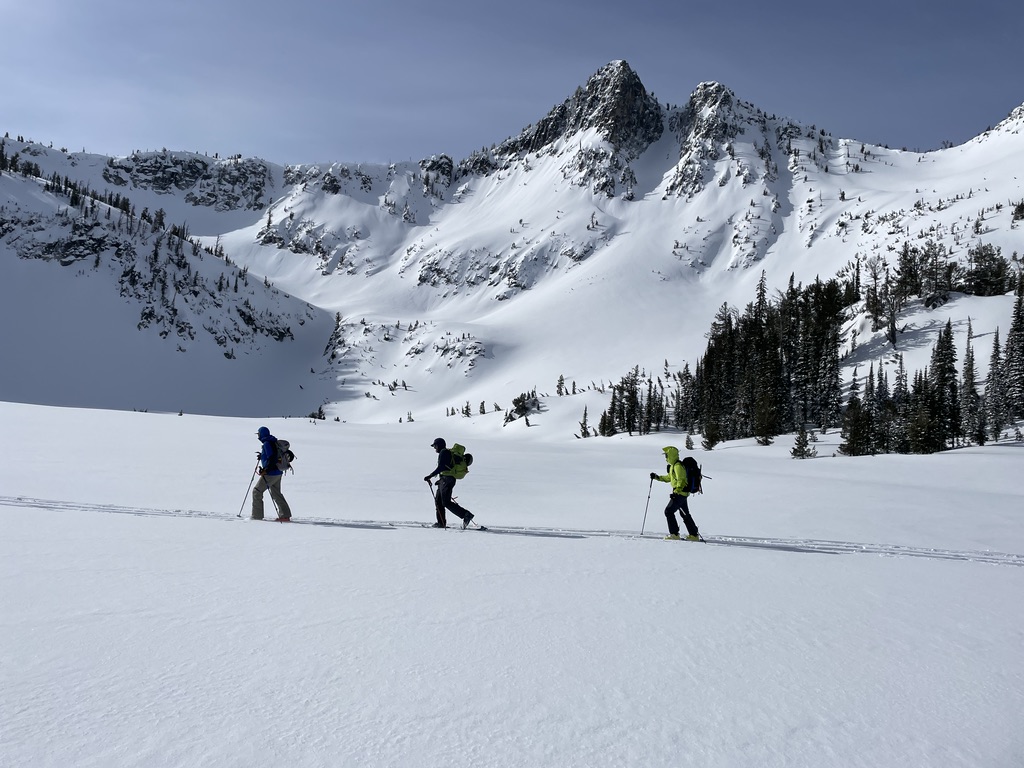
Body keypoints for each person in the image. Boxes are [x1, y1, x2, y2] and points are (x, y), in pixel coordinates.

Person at [650, 446, 700, 541]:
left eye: (666, 455)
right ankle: (694, 535)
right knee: (684, 514)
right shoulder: (673, 466)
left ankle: (674, 534)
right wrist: (656, 477)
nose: (665, 457)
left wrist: (676, 491)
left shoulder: (678, 466)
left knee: (668, 511)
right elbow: (669, 478)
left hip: (680, 493)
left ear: (671, 455)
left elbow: (681, 480)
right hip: (682, 493)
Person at [423, 437, 474, 529]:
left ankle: (466, 514)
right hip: (445, 479)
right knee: (438, 501)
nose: (434, 448)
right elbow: (445, 468)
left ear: (439, 445)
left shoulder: (444, 452)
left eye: (435, 446)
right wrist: (440, 479)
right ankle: (441, 523)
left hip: (447, 480)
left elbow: (441, 467)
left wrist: (430, 476)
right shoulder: (446, 453)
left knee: (445, 502)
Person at [252, 426, 292, 521]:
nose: (258, 436)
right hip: (278, 472)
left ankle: (257, 516)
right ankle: (285, 515)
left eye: (258, 434)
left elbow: (272, 458)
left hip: (271, 473)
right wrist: (262, 456)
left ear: (262, 434)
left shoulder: (266, 443)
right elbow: (272, 455)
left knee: (257, 491)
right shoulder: (273, 441)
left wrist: (265, 469)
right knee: (276, 493)